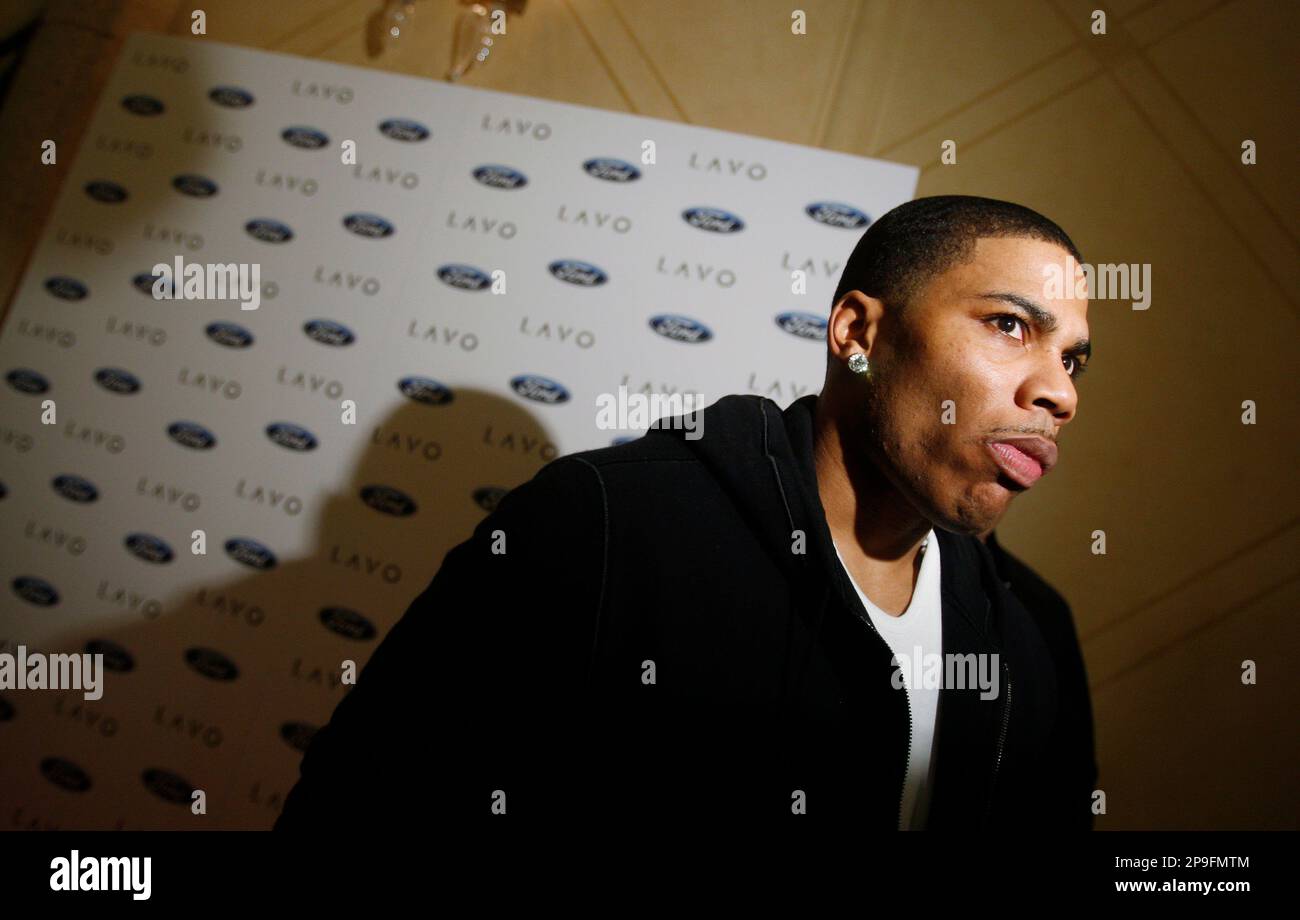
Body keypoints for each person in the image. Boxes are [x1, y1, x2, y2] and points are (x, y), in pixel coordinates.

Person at [276, 194, 1098, 830]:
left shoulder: (1035, 632)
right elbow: (362, 806)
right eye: (1009, 324)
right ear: (858, 334)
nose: (1058, 391)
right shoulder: (601, 527)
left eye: (1072, 358)